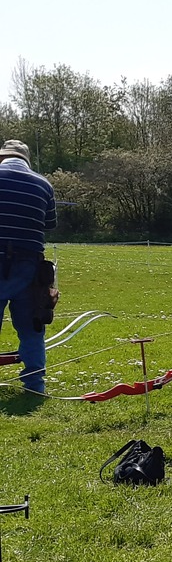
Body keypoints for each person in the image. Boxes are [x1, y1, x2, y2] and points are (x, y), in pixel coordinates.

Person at [0, 140, 57, 397]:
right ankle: (35, 386)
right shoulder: (43, 184)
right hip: (29, 266)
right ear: (26, 160)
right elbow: (49, 223)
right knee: (32, 325)